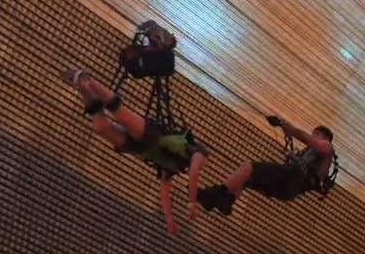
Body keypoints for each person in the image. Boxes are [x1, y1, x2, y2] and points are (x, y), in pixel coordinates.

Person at [66, 67, 208, 235]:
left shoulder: (174, 167)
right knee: (121, 115)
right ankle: (89, 80)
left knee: (100, 127)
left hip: (138, 148)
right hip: (152, 136)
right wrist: (191, 202)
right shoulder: (197, 153)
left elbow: (164, 188)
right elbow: (194, 174)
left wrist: (169, 218)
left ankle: (84, 89)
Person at [196, 115, 333, 216]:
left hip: (292, 177)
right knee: (245, 179)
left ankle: (216, 194)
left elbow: (302, 136)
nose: (312, 135)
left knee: (248, 167)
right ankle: (226, 201)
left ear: (325, 137)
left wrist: (282, 123)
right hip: (289, 190)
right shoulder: (310, 154)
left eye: (316, 134)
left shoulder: (327, 147)